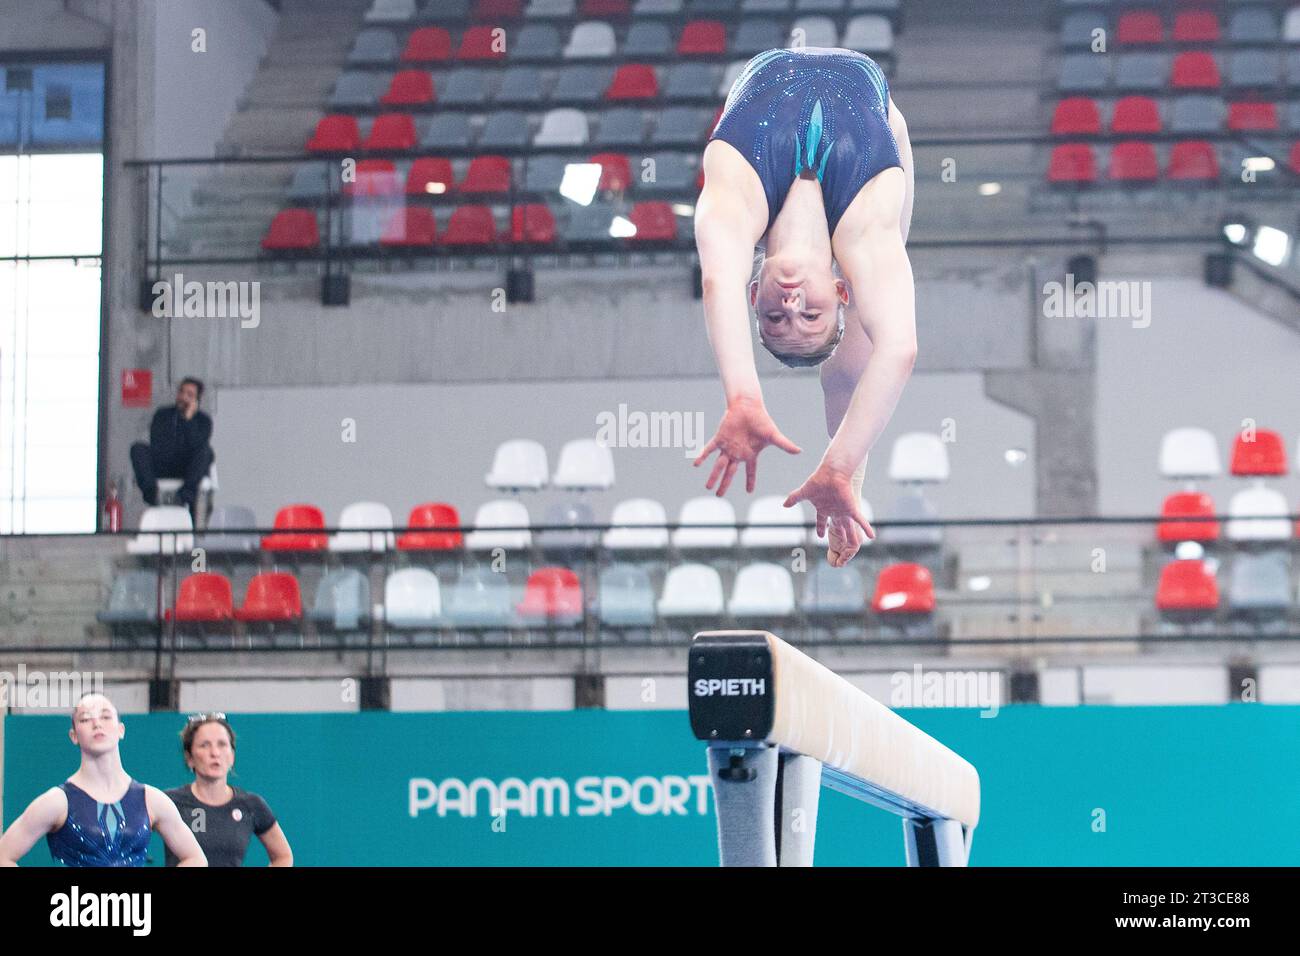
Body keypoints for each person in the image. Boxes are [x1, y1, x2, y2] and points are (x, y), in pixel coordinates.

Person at [692, 47, 917, 569]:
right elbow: (901, 350)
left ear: (755, 294)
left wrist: (743, 397)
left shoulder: (737, 201)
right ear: (834, 293)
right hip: (881, 138)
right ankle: (848, 477)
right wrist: (839, 468)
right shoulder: (864, 222)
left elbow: (715, 279)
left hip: (768, 71)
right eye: (809, 315)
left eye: (774, 317)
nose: (791, 304)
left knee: (855, 348)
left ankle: (845, 472)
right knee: (868, 326)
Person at [0, 693, 207, 866]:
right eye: (85, 719)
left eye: (106, 717)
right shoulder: (56, 802)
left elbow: (196, 859)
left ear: (121, 730)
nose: (97, 724)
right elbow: (3, 856)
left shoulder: (152, 800)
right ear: (74, 735)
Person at [164, 713, 293, 867]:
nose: (215, 753)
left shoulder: (251, 805)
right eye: (204, 745)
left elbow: (283, 856)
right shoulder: (169, 802)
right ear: (189, 758)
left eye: (222, 744)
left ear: (232, 756)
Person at [129, 377, 214, 520]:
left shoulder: (203, 420)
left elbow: (196, 445)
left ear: (196, 400)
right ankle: (152, 494)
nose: (183, 397)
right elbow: (158, 442)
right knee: (138, 448)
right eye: (181, 392)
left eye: (189, 394)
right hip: (164, 462)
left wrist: (188, 420)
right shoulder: (163, 414)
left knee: (206, 451)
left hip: (188, 468)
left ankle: (183, 496)